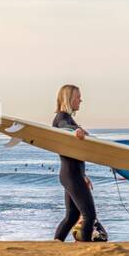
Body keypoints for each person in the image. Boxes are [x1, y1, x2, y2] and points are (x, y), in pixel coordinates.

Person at [52, 83, 98, 242]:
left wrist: (83, 175)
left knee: (72, 216)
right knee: (89, 215)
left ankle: (55, 244)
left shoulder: (68, 118)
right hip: (71, 174)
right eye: (78, 97)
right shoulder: (62, 118)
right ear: (69, 98)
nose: (81, 100)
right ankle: (86, 247)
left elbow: (74, 153)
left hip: (72, 173)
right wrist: (75, 130)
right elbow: (64, 127)